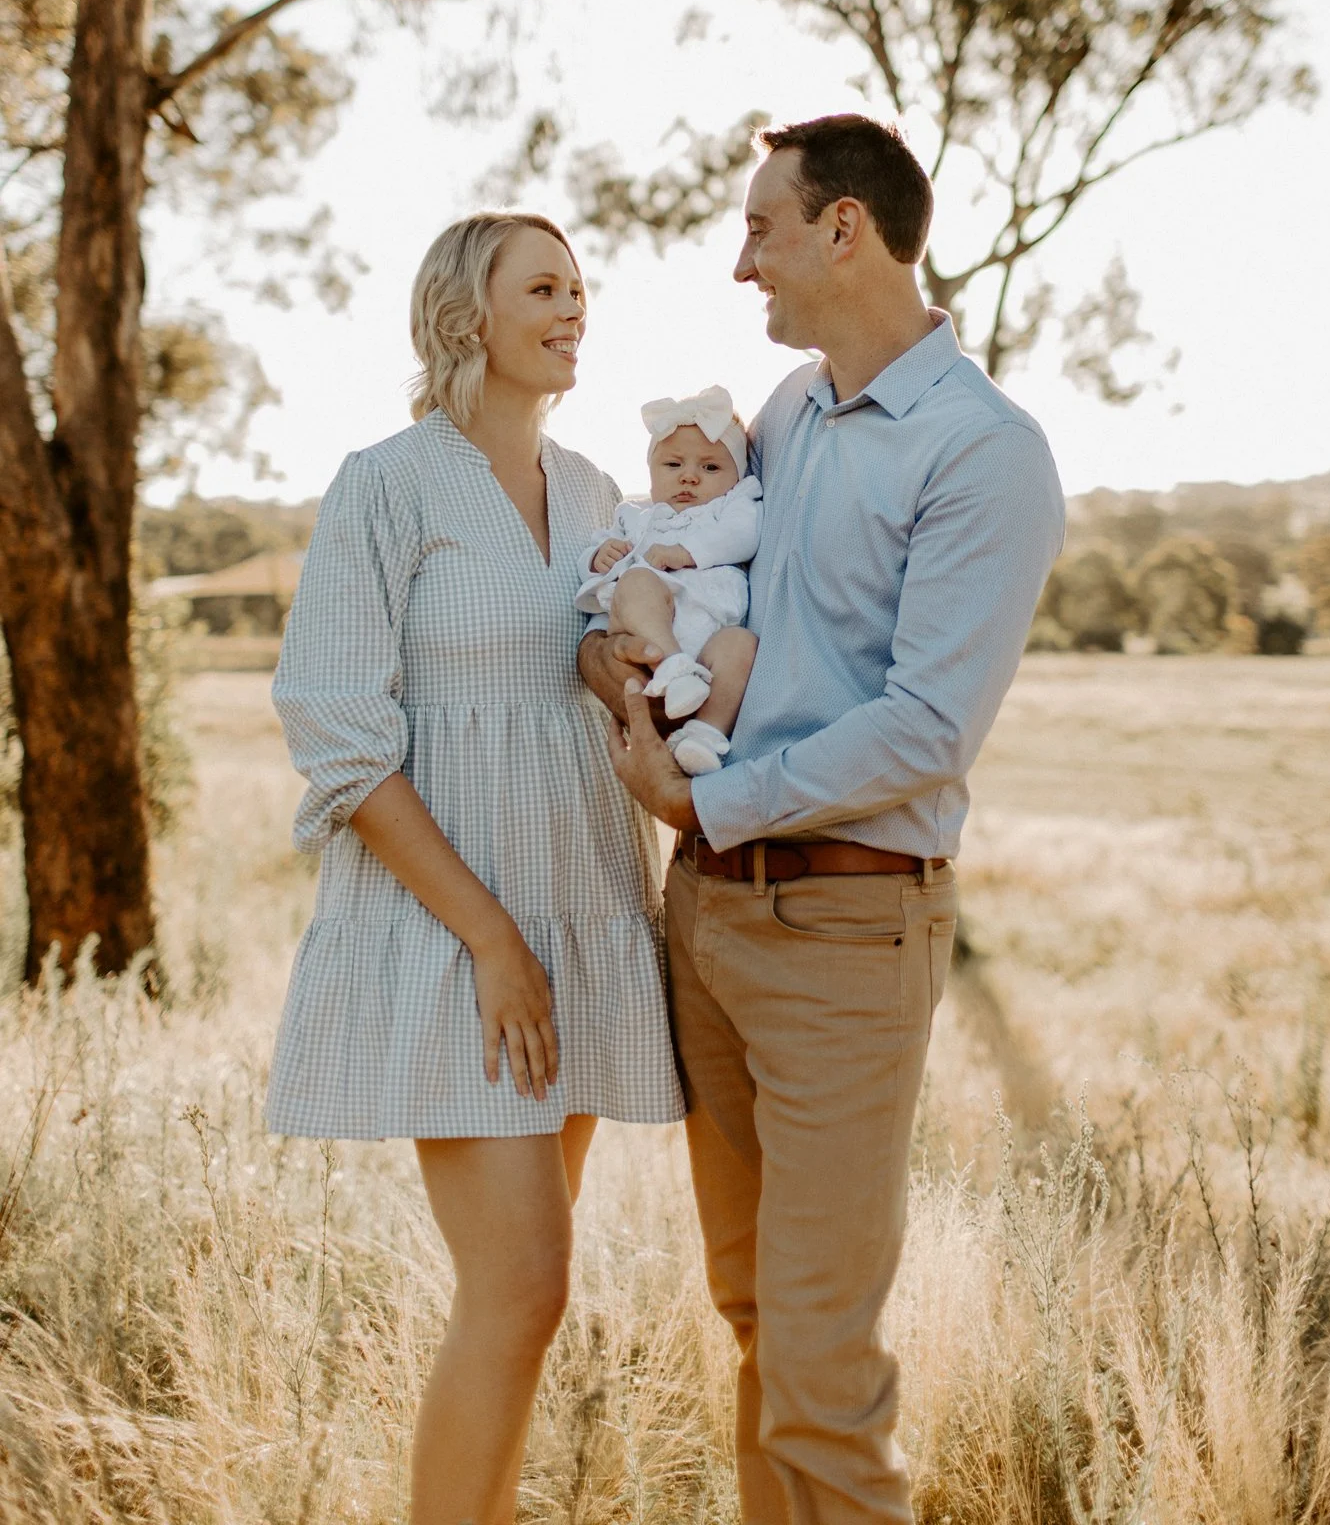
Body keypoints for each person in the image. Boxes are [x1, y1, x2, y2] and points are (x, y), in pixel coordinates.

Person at [581, 115, 1065, 1525]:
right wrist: (624, 658)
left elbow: (927, 725)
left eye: (761, 228)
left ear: (841, 229)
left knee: (818, 1358)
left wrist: (706, 794)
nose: (743, 265)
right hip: (709, 909)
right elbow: (719, 594)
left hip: (847, 925)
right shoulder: (785, 416)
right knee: (749, 1315)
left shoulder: (984, 452)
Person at [267, 211, 684, 1525]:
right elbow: (337, 728)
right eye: (544, 287)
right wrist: (492, 941)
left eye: (581, 286)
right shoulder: (387, 482)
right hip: (458, 927)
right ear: (469, 317)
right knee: (520, 1290)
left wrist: (611, 665)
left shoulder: (596, 490)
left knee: (525, 1297)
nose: (574, 307)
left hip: (581, 903)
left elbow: (563, 652)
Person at [575, 385, 761, 774]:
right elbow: (594, 558)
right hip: (653, 630)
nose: (690, 478)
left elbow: (746, 533)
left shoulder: (733, 507)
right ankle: (674, 668)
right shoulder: (636, 517)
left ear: (737, 478)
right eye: (673, 465)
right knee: (638, 580)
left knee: (742, 646)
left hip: (712, 628)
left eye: (710, 468)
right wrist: (599, 557)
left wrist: (685, 553)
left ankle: (703, 736)